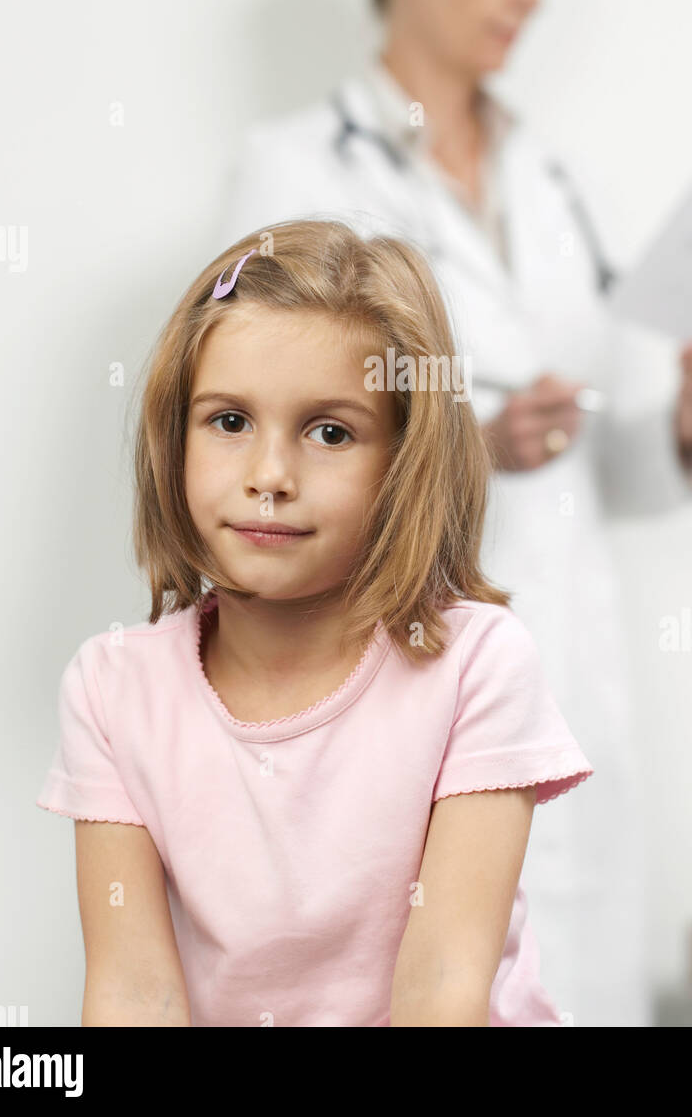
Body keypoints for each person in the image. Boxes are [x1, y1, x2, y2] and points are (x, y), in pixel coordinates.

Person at [219, 0, 692, 1025]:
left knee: (579, 980)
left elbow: (597, 462)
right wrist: (461, 438)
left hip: (565, 661)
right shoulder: (293, 165)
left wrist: (685, 427)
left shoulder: (551, 181)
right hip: (397, 659)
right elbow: (265, 439)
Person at [34, 219, 596, 1027]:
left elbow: (440, 989)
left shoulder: (476, 665)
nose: (269, 476)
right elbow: (133, 995)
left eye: (329, 432)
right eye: (229, 422)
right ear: (174, 437)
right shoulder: (111, 687)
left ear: (406, 460)